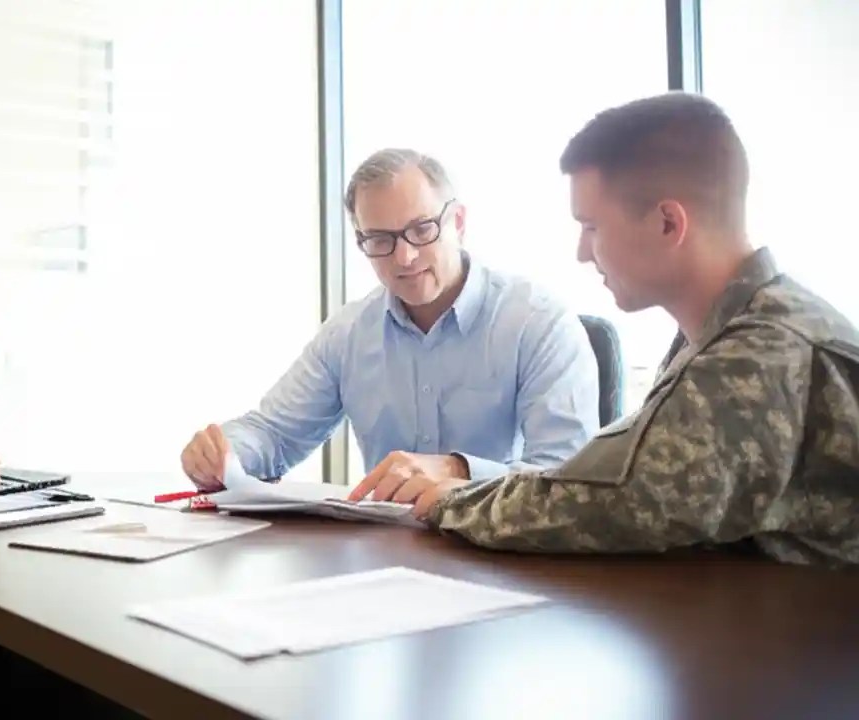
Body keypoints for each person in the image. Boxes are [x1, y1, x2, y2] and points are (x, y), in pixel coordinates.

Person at [350, 92, 859, 568]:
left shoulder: (762, 355)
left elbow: (615, 501)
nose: (581, 251)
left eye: (591, 226)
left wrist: (449, 499)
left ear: (667, 223)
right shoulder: (730, 334)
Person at [181, 148, 600, 491]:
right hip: (386, 557)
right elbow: (274, 434)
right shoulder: (349, 334)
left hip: (508, 559)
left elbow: (569, 478)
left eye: (422, 230)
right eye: (381, 240)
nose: (405, 257)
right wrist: (225, 454)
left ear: (457, 222)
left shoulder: (537, 322)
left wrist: (458, 470)